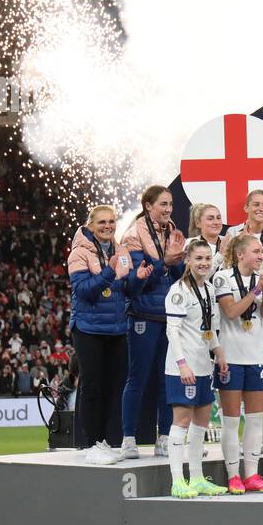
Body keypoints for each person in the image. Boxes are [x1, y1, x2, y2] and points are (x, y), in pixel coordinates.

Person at [120, 185, 188, 459]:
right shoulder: (133, 235)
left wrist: (178, 259)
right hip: (144, 315)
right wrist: (165, 262)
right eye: (163, 204)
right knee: (137, 379)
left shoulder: (173, 232)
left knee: (166, 380)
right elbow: (134, 282)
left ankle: (164, 438)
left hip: (170, 316)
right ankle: (128, 438)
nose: (168, 209)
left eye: (170, 204)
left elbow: (181, 276)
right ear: (148, 206)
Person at [212, 233, 263, 493]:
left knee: (255, 419)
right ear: (240, 254)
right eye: (256, 251)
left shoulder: (261, 279)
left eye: (262, 252)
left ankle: (251, 474)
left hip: (255, 357)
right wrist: (256, 290)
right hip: (231, 357)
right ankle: (233, 476)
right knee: (231, 421)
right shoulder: (223, 277)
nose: (261, 256)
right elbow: (231, 312)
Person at [163, 239, 228, 498]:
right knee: (182, 422)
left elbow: (208, 329)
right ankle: (177, 481)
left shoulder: (209, 289)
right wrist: (182, 365)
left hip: (203, 366)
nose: (204, 263)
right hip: (183, 367)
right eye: (198, 258)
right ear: (187, 260)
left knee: (201, 423)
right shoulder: (178, 291)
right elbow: (172, 331)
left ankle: (197, 478)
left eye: (207, 258)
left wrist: (219, 352)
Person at [68, 205, 130, 464]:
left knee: (111, 387)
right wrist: (108, 271)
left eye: (111, 221)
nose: (108, 226)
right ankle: (91, 443)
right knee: (92, 386)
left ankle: (103, 441)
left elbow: (125, 289)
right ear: (90, 225)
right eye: (102, 222)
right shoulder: (79, 253)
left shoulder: (121, 250)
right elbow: (83, 291)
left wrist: (139, 278)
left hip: (116, 328)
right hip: (88, 328)